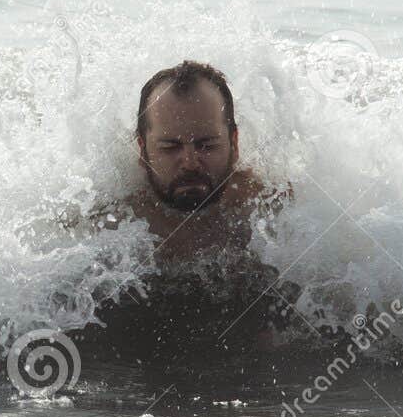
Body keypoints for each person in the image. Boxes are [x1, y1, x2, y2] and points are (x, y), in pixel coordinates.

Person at [102, 59, 282, 264]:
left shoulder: (271, 208)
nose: (190, 163)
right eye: (170, 148)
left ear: (234, 144)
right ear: (143, 151)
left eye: (207, 145)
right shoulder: (116, 223)